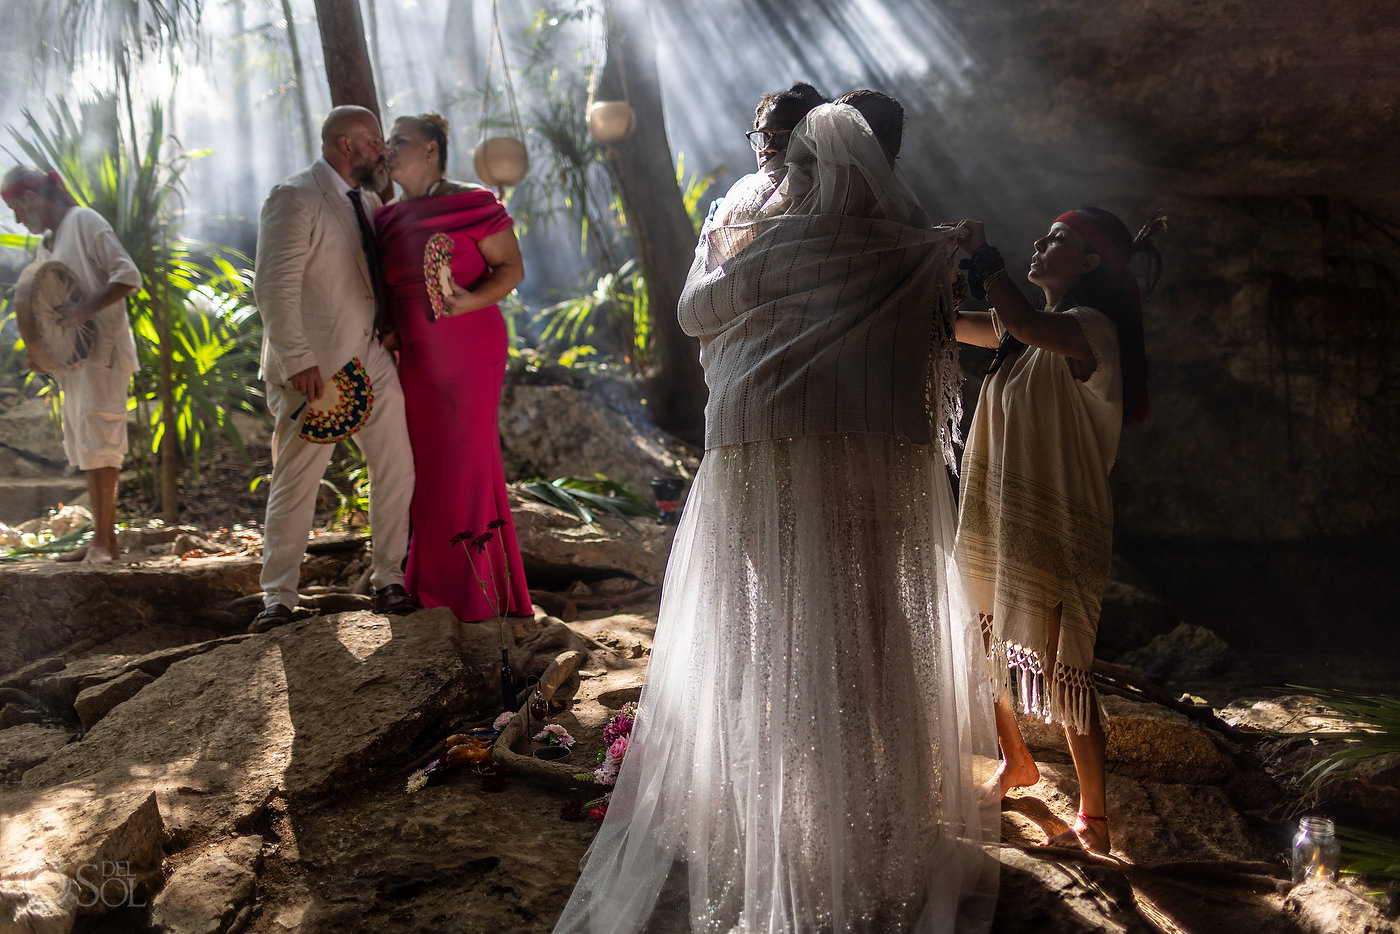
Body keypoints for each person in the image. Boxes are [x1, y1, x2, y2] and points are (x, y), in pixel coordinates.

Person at [553, 95, 998, 934]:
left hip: (770, 458)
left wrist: (723, 251)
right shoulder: (916, 249)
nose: (783, 176)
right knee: (877, 637)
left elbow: (694, 315)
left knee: (788, 636)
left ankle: (799, 832)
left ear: (820, 172)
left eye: (794, 165)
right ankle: (884, 833)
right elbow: (950, 333)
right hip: (875, 459)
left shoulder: (777, 240)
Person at [952, 207, 1165, 853]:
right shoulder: (1019, 338)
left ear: (1091, 264)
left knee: (1058, 661)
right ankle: (1018, 762)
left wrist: (986, 256)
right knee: (983, 640)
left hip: (1059, 519)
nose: (1041, 242)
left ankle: (1094, 814)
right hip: (1002, 513)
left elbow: (1020, 320)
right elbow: (961, 326)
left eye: (1059, 240)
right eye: (1041, 233)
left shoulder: (1086, 329)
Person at [250, 105, 419, 633]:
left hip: (371, 355)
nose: (383, 151)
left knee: (397, 464)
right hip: (314, 367)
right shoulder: (295, 195)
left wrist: (388, 326)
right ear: (345, 145)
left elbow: (365, 278)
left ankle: (389, 578)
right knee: (298, 478)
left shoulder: (366, 201)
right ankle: (277, 596)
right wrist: (299, 359)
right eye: (373, 142)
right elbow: (273, 285)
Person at [374, 113, 531, 622]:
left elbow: (512, 269)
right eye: (388, 141)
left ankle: (472, 597)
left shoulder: (473, 203)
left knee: (464, 466)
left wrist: (470, 301)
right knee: (426, 470)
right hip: (415, 360)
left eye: (400, 140)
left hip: (470, 352)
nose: (389, 149)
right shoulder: (387, 217)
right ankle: (431, 585)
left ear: (432, 150)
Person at [3, 166, 141, 565]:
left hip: (105, 355)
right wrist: (40, 350)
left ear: (31, 199)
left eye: (15, 208)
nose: (16, 219)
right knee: (86, 447)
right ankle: (102, 540)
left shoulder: (84, 221)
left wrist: (85, 311)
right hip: (75, 362)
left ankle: (105, 543)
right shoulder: (47, 243)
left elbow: (128, 276)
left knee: (102, 447)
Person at [699, 82, 827, 248]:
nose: (769, 147)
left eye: (785, 137)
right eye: (762, 137)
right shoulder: (722, 210)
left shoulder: (832, 199)